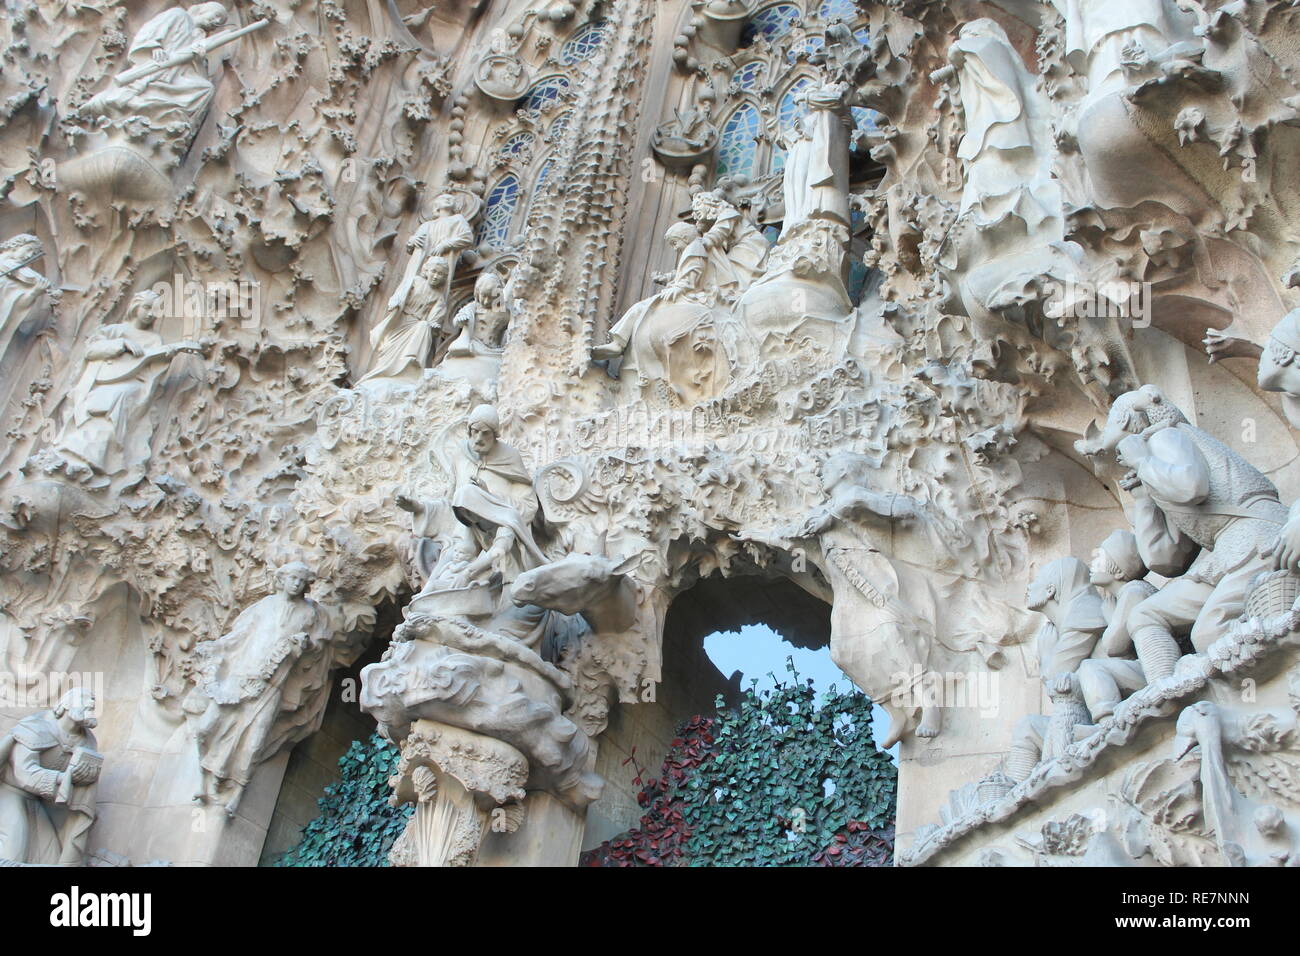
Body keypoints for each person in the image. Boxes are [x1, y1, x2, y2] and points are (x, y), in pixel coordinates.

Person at [189, 561, 333, 816]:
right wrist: (216, 648)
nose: (297, 584)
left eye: (302, 580)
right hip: (239, 676)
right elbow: (238, 636)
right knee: (204, 728)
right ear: (282, 579)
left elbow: (316, 649)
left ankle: (237, 792)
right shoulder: (264, 606)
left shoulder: (310, 614)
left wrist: (305, 644)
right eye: (292, 578)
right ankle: (200, 779)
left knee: (254, 743)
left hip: (272, 686)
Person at [80, 3, 231, 129]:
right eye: (216, 15)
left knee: (206, 88)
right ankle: (104, 101)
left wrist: (198, 59)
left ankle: (179, 121)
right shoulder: (179, 15)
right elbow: (150, 30)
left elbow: (199, 71)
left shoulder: (202, 39)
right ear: (203, 10)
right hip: (160, 64)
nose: (216, 21)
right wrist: (155, 47)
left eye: (220, 20)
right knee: (137, 84)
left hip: (179, 76)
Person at [0, 688, 101, 865]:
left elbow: (77, 785)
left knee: (52, 856)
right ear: (65, 704)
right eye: (84, 698)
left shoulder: (87, 742)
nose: (91, 703)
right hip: (8, 793)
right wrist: (66, 778)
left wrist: (83, 778)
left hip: (37, 802)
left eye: (93, 701)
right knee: (14, 843)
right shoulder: (35, 727)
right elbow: (24, 773)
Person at [359, 255, 448, 386]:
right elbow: (401, 294)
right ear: (426, 270)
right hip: (401, 321)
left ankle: (409, 363)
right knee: (390, 350)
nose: (435, 276)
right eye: (434, 271)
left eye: (440, 274)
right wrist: (396, 302)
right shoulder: (415, 282)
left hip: (417, 326)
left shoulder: (439, 297)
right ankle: (382, 371)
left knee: (423, 326)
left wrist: (434, 323)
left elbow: (435, 317)